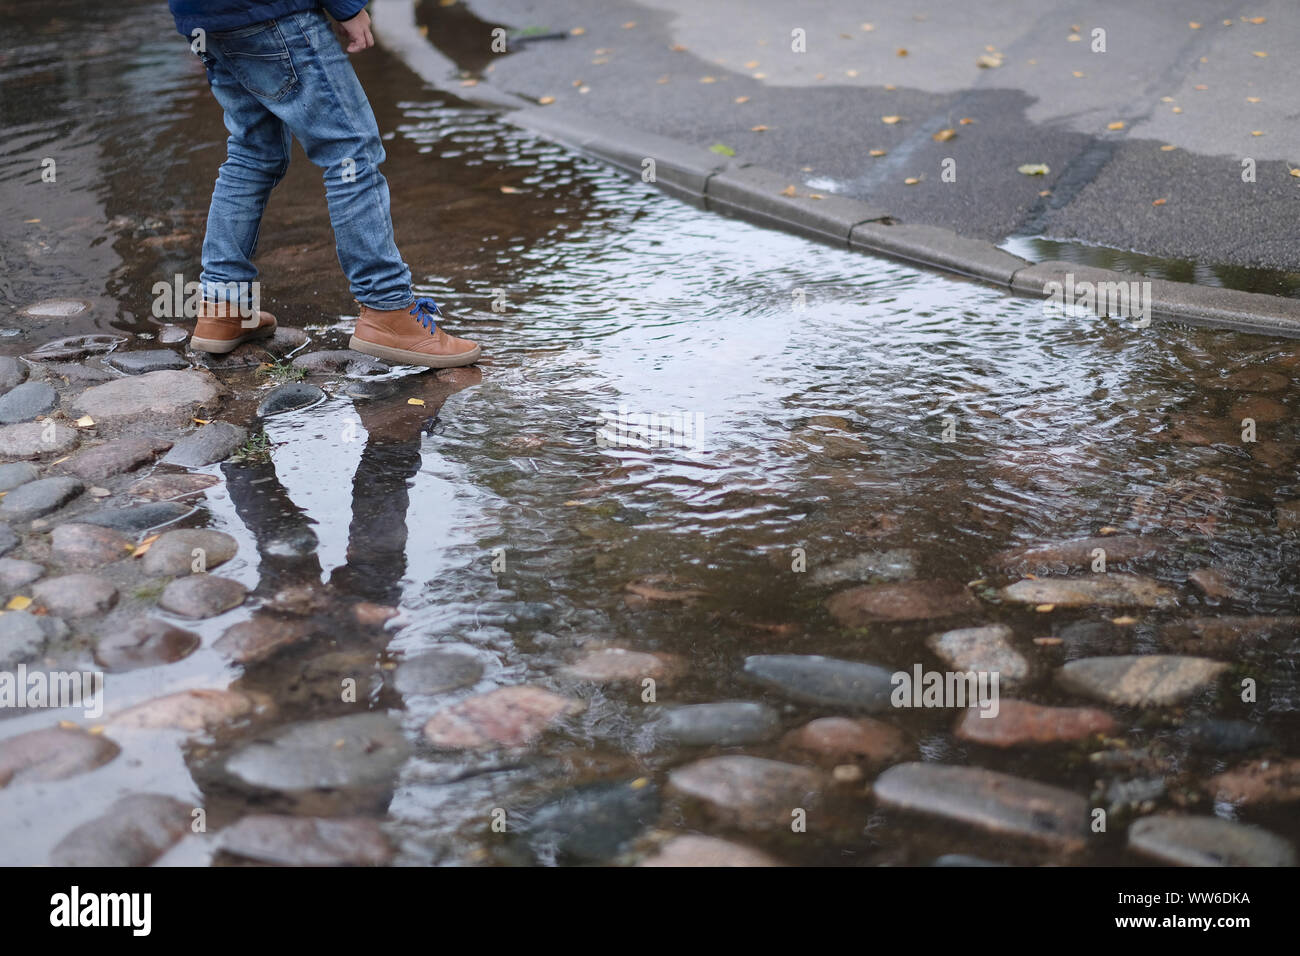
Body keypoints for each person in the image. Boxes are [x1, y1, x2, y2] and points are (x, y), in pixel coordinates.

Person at [168, 0, 480, 368]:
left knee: (252, 153)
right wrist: (346, 6)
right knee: (350, 152)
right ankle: (387, 310)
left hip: (207, 19)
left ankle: (223, 306)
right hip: (275, 13)